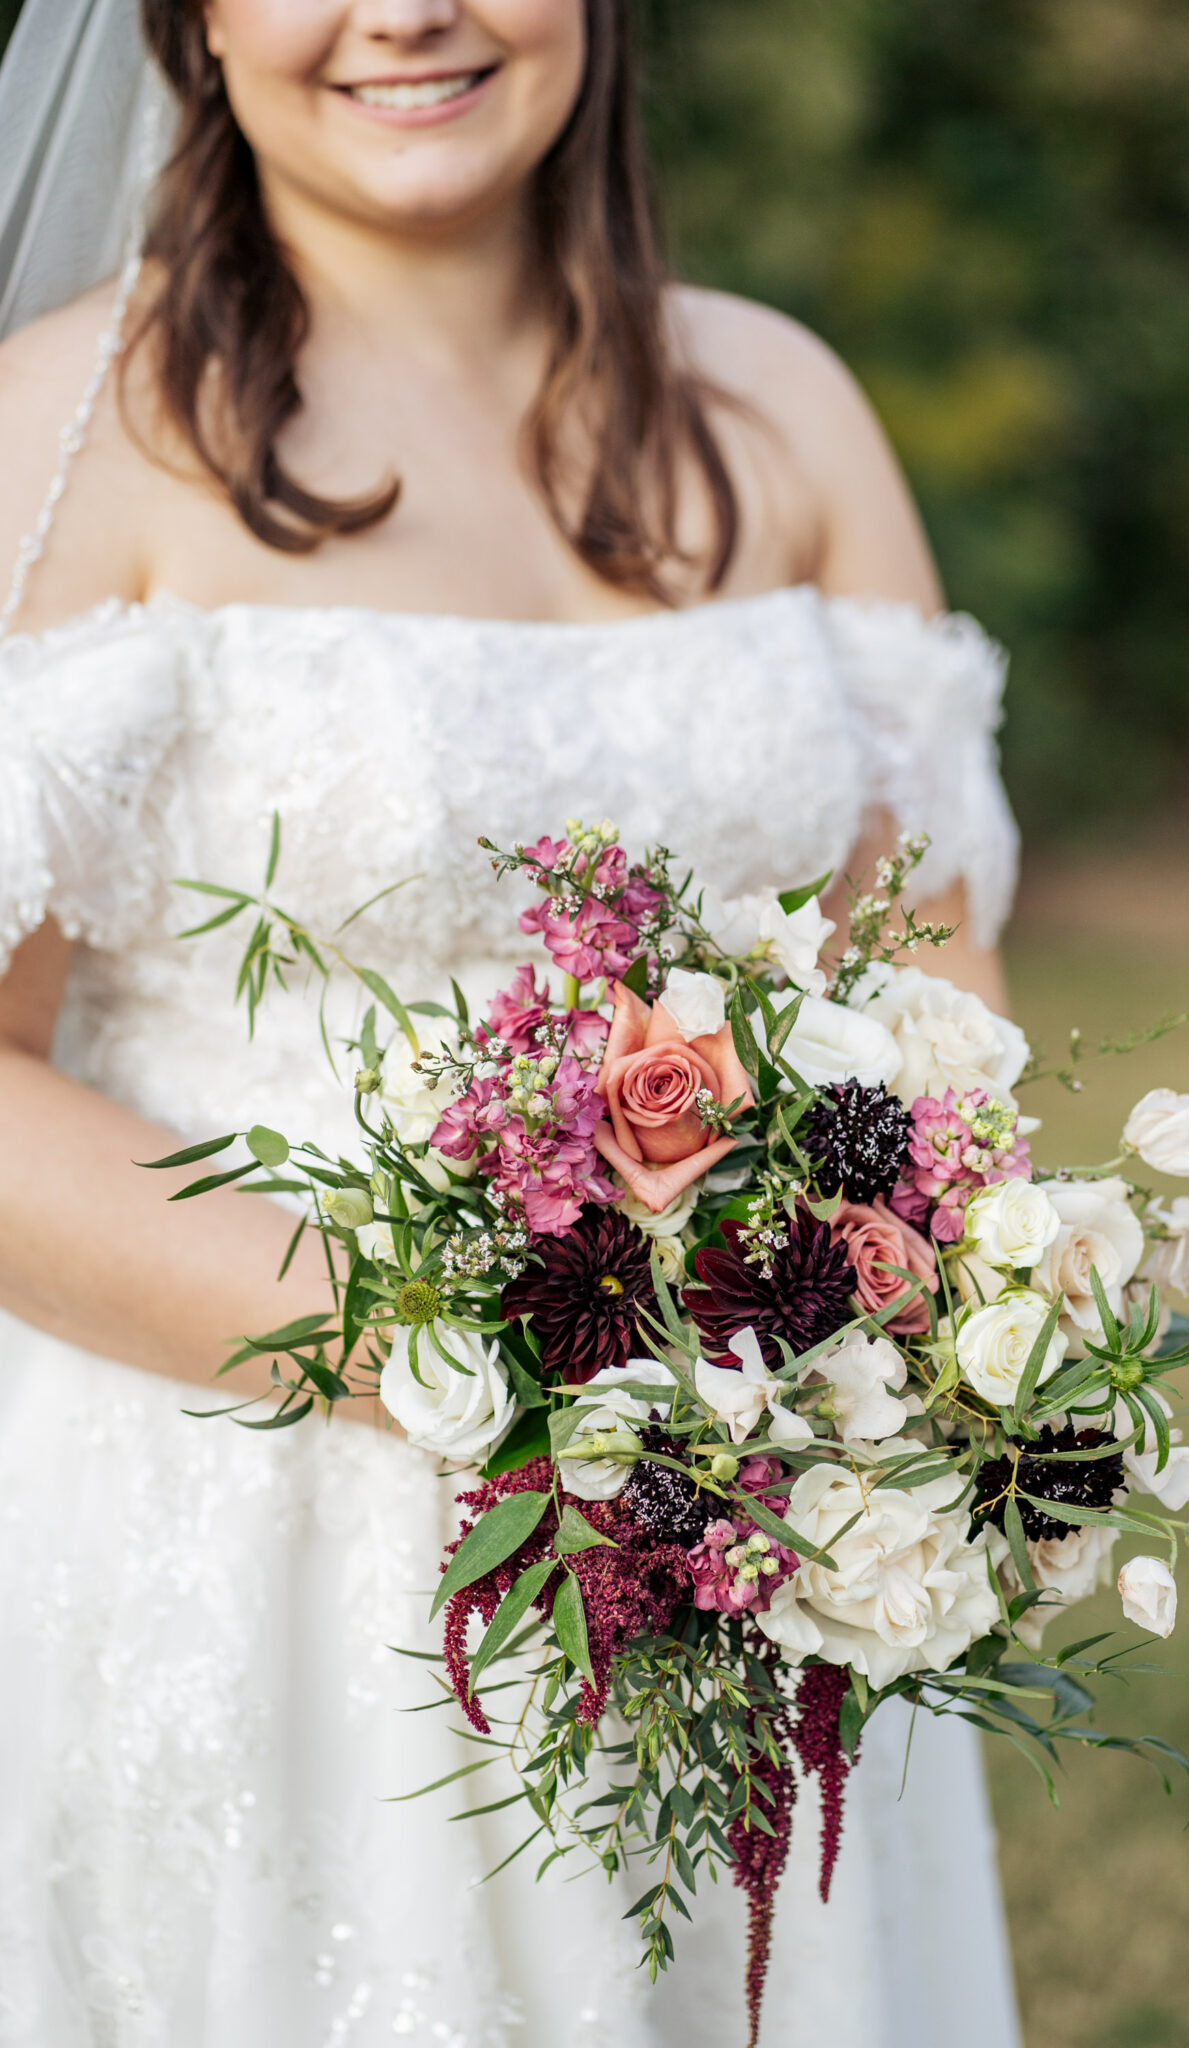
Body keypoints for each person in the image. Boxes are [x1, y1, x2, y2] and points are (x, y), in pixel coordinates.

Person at [0, 2, 1023, 2041]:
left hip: (751, 1530)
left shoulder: (783, 410)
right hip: (263, 1524)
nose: (406, 12)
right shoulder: (66, 434)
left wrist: (857, 1332)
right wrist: (470, 1350)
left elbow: (929, 986)